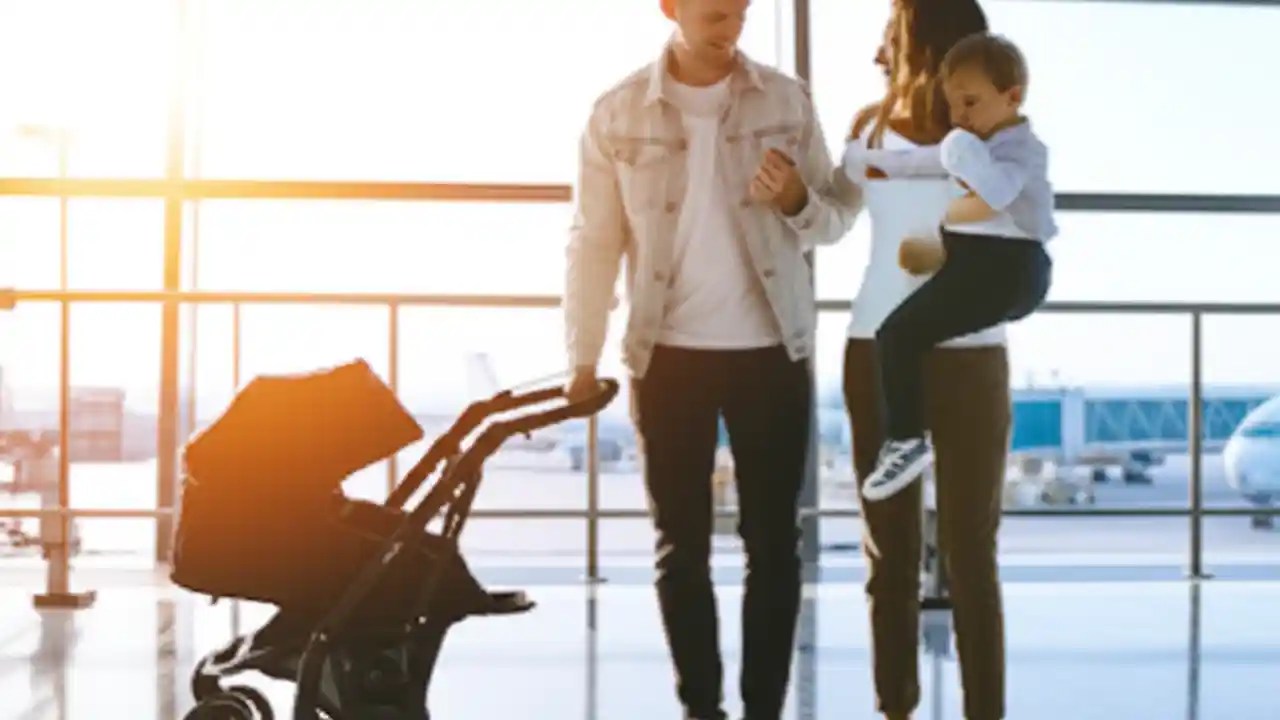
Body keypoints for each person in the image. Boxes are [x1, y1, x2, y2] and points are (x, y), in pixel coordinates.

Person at [562, 1, 860, 718]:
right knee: (680, 549)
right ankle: (701, 708)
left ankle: (763, 710)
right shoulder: (616, 113)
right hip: (666, 356)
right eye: (714, 6)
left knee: (775, 546)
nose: (731, 18)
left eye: (742, 5)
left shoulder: (786, 100)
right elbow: (593, 242)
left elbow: (836, 216)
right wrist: (582, 357)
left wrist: (796, 198)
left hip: (772, 353)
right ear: (671, 6)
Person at [838, 1, 1011, 719]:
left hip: (971, 352)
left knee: (969, 554)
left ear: (917, 36)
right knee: (891, 552)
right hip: (878, 348)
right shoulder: (867, 126)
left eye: (890, 31)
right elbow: (831, 215)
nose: (880, 47)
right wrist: (789, 197)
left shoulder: (995, 135)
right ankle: (895, 707)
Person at [845, 31, 1057, 501]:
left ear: (1012, 97)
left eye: (970, 103)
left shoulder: (1021, 150)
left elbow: (994, 192)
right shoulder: (983, 141)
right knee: (909, 326)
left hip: (1011, 270)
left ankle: (906, 440)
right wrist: (882, 164)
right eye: (953, 106)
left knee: (896, 334)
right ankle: (935, 256)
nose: (959, 117)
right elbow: (933, 163)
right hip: (980, 263)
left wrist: (955, 165)